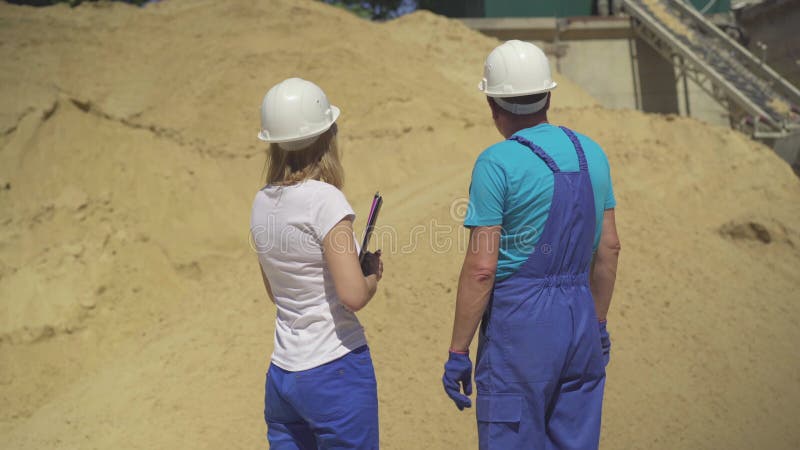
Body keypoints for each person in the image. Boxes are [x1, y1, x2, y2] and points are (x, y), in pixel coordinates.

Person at [442, 40, 621, 449]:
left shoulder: (497, 162)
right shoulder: (592, 153)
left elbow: (482, 268)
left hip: (521, 330)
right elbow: (609, 248)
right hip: (580, 320)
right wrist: (598, 322)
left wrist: (458, 350)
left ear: (493, 104)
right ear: (548, 95)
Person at [251, 77, 383, 449]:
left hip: (282, 376)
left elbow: (275, 292)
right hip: (334, 370)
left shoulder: (261, 202)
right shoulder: (326, 200)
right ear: (328, 137)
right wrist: (371, 275)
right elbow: (353, 296)